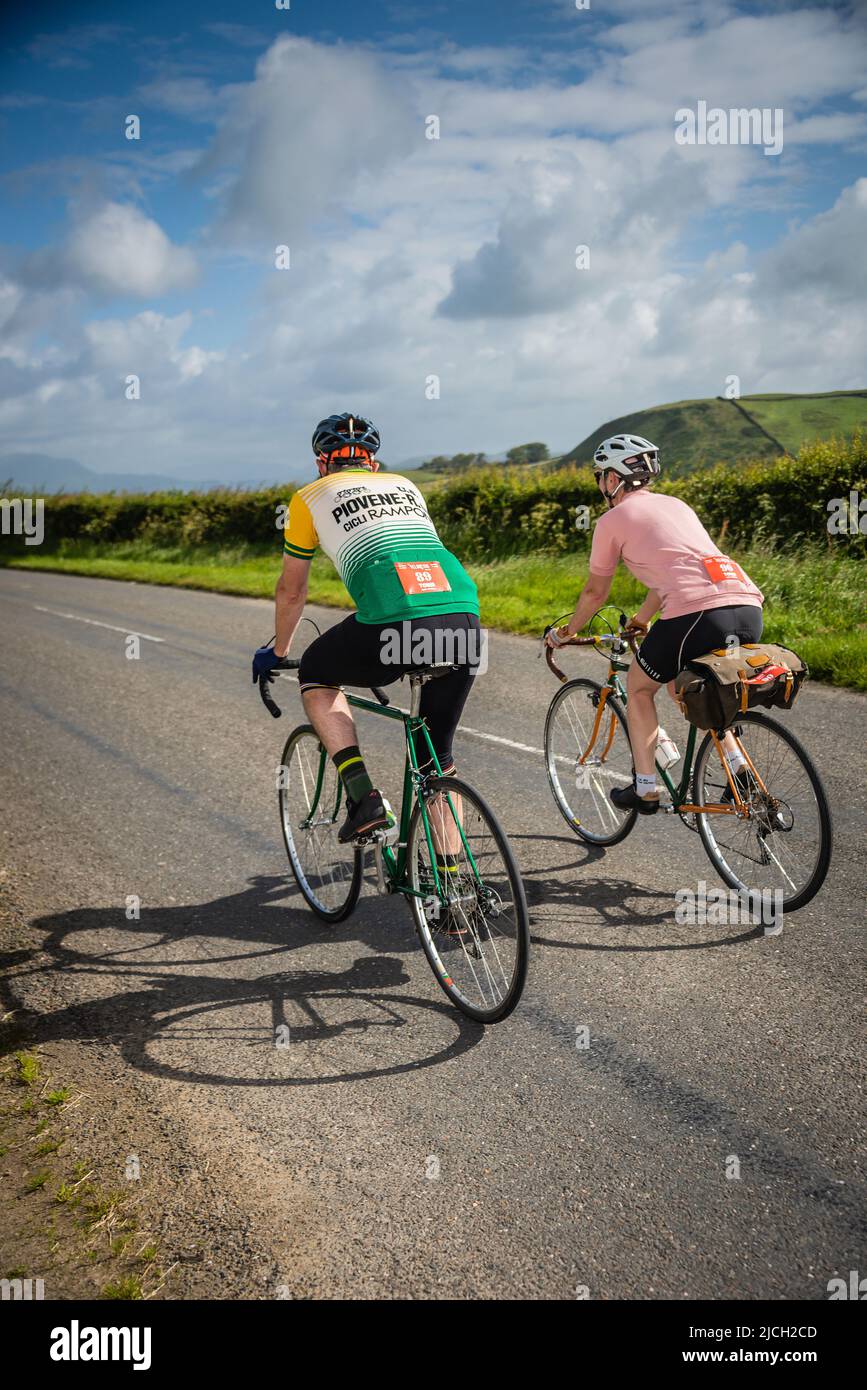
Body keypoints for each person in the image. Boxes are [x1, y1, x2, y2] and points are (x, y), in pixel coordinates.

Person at [252, 413, 482, 841]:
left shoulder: (306, 498)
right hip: (464, 615)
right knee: (436, 761)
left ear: (322, 463)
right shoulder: (406, 485)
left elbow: (291, 592)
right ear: (373, 464)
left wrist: (278, 651)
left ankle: (364, 799)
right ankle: (454, 889)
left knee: (318, 672)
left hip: (395, 621)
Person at [546, 433, 764, 813]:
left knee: (640, 685)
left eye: (601, 476)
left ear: (613, 479)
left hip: (698, 613)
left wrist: (567, 632)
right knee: (692, 687)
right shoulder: (677, 505)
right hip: (746, 605)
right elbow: (676, 573)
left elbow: (595, 593)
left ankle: (645, 789)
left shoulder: (612, 520)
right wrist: (642, 620)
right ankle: (740, 773)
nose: (601, 484)